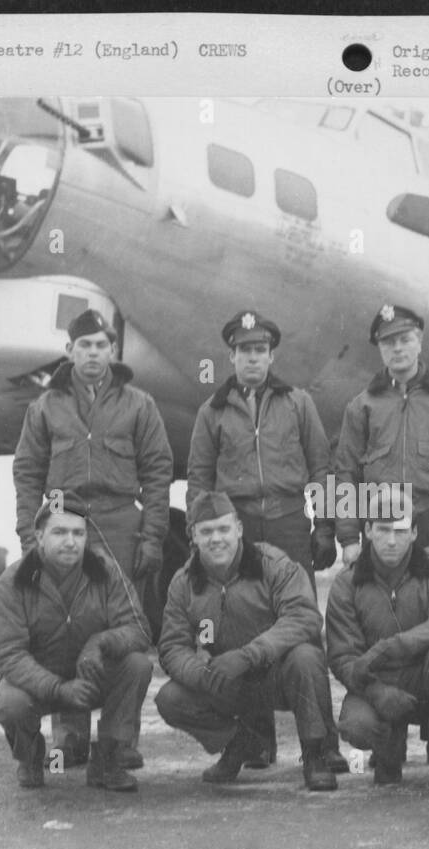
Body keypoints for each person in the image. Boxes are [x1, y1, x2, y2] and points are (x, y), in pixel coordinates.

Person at [12, 308, 173, 770]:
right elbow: (27, 472)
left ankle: (119, 740)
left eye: (102, 345)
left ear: (113, 350)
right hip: (63, 522)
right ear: (69, 351)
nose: (94, 354)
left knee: (126, 630)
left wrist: (153, 535)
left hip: (122, 522)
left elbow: (158, 470)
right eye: (84, 346)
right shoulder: (44, 407)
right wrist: (30, 534)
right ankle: (70, 737)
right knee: (65, 626)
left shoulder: (139, 404)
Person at [186, 310, 338, 768]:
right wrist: (201, 537)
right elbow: (198, 478)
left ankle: (323, 743)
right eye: (244, 351)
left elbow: (320, 467)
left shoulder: (298, 403)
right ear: (230, 356)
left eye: (260, 351)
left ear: (271, 355)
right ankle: (259, 740)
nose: (252, 358)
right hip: (240, 528)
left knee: (304, 628)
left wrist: (325, 525)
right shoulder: (211, 412)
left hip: (290, 520)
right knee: (243, 629)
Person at [154, 491, 341, 791]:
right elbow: (172, 646)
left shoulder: (272, 564)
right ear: (193, 536)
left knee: (306, 657)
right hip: (227, 679)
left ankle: (314, 753)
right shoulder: (183, 582)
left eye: (224, 529)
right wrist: (201, 673)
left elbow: (304, 617)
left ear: (239, 530)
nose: (216, 539)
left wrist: (249, 655)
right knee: (170, 698)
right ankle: (239, 742)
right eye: (206, 531)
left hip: (277, 674)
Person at [0, 491, 153, 792]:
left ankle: (107, 760)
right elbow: (7, 654)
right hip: (40, 684)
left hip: (90, 678)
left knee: (137, 665)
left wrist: (100, 643)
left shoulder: (106, 571)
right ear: (39, 536)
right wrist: (57, 688)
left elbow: (139, 629)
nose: (70, 541)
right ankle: (30, 756)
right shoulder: (13, 582)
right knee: (11, 703)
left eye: (78, 533)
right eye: (60, 532)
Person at [325, 487, 429, 796]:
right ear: (367, 531)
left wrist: (392, 646)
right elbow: (342, 657)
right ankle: (389, 751)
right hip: (375, 681)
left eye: (401, 531)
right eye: (383, 530)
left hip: (426, 680)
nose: (392, 540)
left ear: (415, 532)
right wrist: (377, 693)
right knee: (356, 726)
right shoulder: (346, 583)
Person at [334, 303, 429, 572]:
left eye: (405, 339)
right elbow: (345, 472)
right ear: (380, 348)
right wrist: (348, 538)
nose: (398, 348)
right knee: (380, 608)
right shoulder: (360, 406)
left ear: (420, 342)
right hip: (381, 519)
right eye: (389, 342)